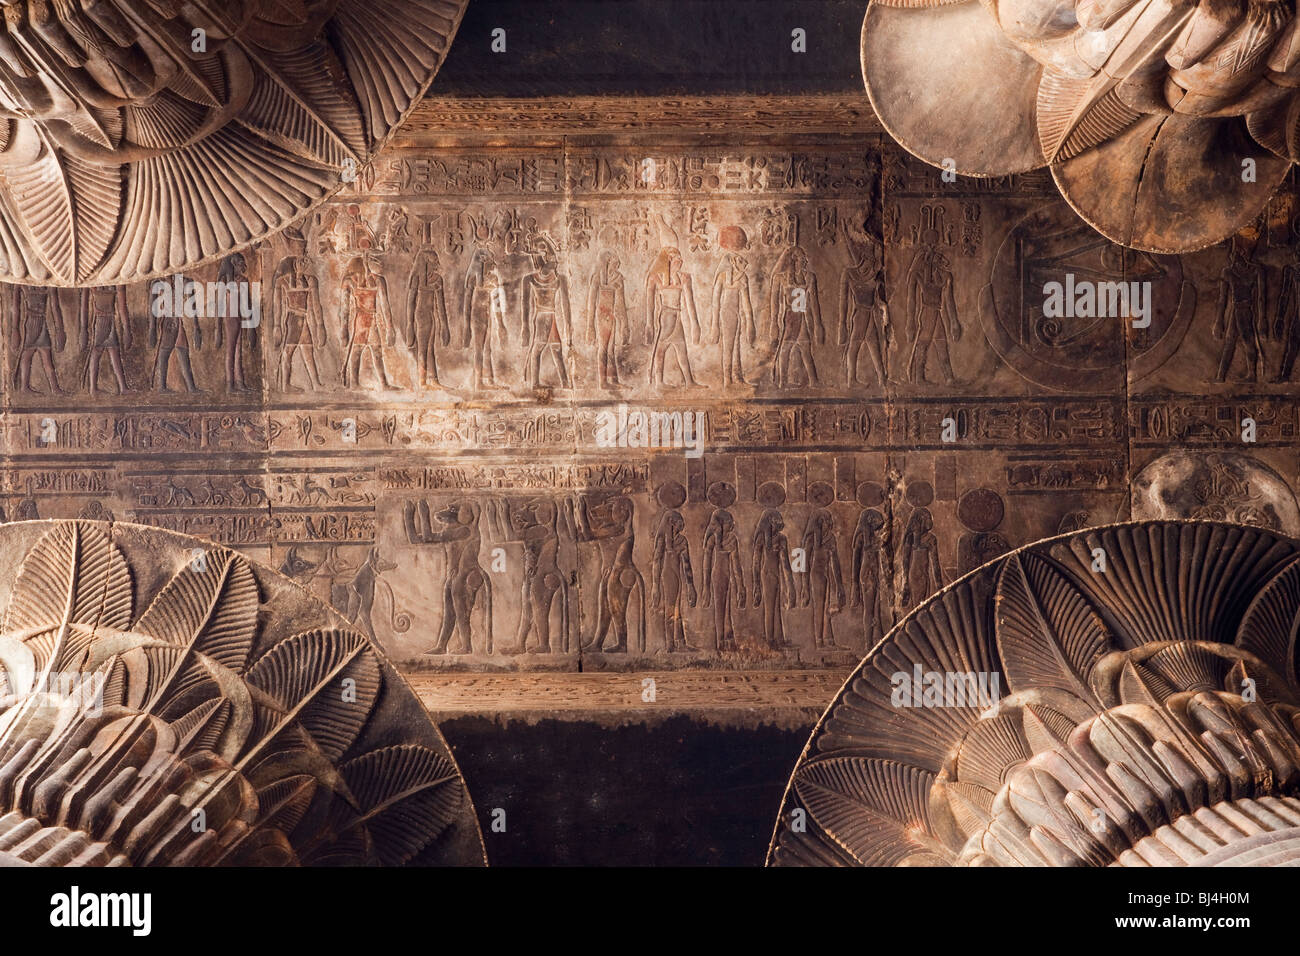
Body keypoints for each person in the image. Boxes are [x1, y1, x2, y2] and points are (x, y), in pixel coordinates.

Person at [78, 285, 132, 394]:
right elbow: (84, 307)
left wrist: (126, 329)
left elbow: (122, 307)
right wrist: (83, 329)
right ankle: (93, 388)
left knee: (114, 351)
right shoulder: (92, 282)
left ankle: (122, 387)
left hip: (110, 321)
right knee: (97, 350)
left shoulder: (117, 282)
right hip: (99, 322)